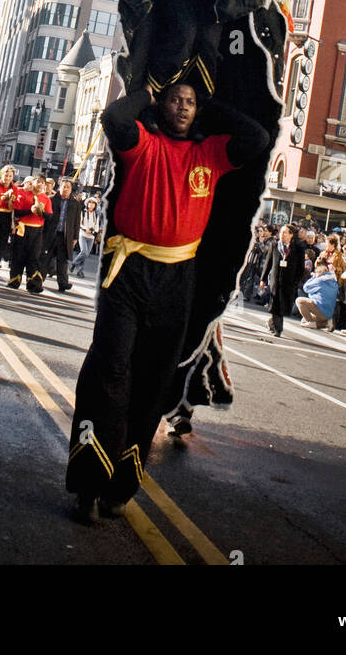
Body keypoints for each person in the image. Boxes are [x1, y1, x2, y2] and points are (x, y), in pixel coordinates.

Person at [66, 82, 266, 522]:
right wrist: (149, 95)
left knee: (154, 383)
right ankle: (87, 484)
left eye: (190, 103)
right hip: (129, 274)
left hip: (177, 280)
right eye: (177, 99)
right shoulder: (143, 144)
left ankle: (121, 486)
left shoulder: (209, 155)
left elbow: (256, 138)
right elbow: (115, 118)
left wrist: (211, 106)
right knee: (110, 371)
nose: (183, 107)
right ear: (163, 105)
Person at [8, 177, 52, 293]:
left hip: (37, 231)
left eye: (42, 183)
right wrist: (30, 211)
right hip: (23, 229)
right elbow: (17, 212)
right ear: (33, 182)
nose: (40, 184)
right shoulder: (23, 195)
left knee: (34, 257)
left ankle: (33, 283)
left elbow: (50, 217)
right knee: (18, 255)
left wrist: (41, 212)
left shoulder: (46, 199)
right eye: (38, 181)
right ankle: (14, 280)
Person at [261, 223, 305, 337]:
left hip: (289, 281)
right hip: (275, 279)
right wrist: (263, 279)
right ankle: (278, 329)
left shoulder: (298, 248)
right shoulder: (275, 245)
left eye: (285, 233)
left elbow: (301, 267)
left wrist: (296, 281)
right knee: (275, 303)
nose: (282, 235)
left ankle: (272, 322)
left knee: (283, 305)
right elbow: (268, 263)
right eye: (281, 232)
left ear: (291, 235)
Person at [44, 178, 80, 292]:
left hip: (65, 236)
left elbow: (77, 222)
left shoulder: (75, 204)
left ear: (71, 190)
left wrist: (75, 237)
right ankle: (37, 280)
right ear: (59, 188)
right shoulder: (52, 199)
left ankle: (63, 283)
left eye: (68, 187)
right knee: (45, 258)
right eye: (63, 186)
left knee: (62, 261)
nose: (65, 189)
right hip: (51, 234)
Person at [295, 256, 338, 329]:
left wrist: (314, 277)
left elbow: (306, 288)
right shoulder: (333, 279)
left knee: (299, 301)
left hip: (320, 308)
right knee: (303, 320)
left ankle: (312, 323)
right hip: (329, 311)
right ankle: (326, 322)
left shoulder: (320, 280)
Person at [72, 196, 101, 278]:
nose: (91, 205)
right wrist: (85, 229)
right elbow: (79, 223)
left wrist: (94, 231)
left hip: (91, 236)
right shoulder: (83, 212)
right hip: (83, 234)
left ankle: (79, 269)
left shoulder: (96, 214)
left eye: (93, 203)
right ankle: (74, 263)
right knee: (84, 252)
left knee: (85, 254)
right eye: (90, 203)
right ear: (87, 204)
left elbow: (97, 225)